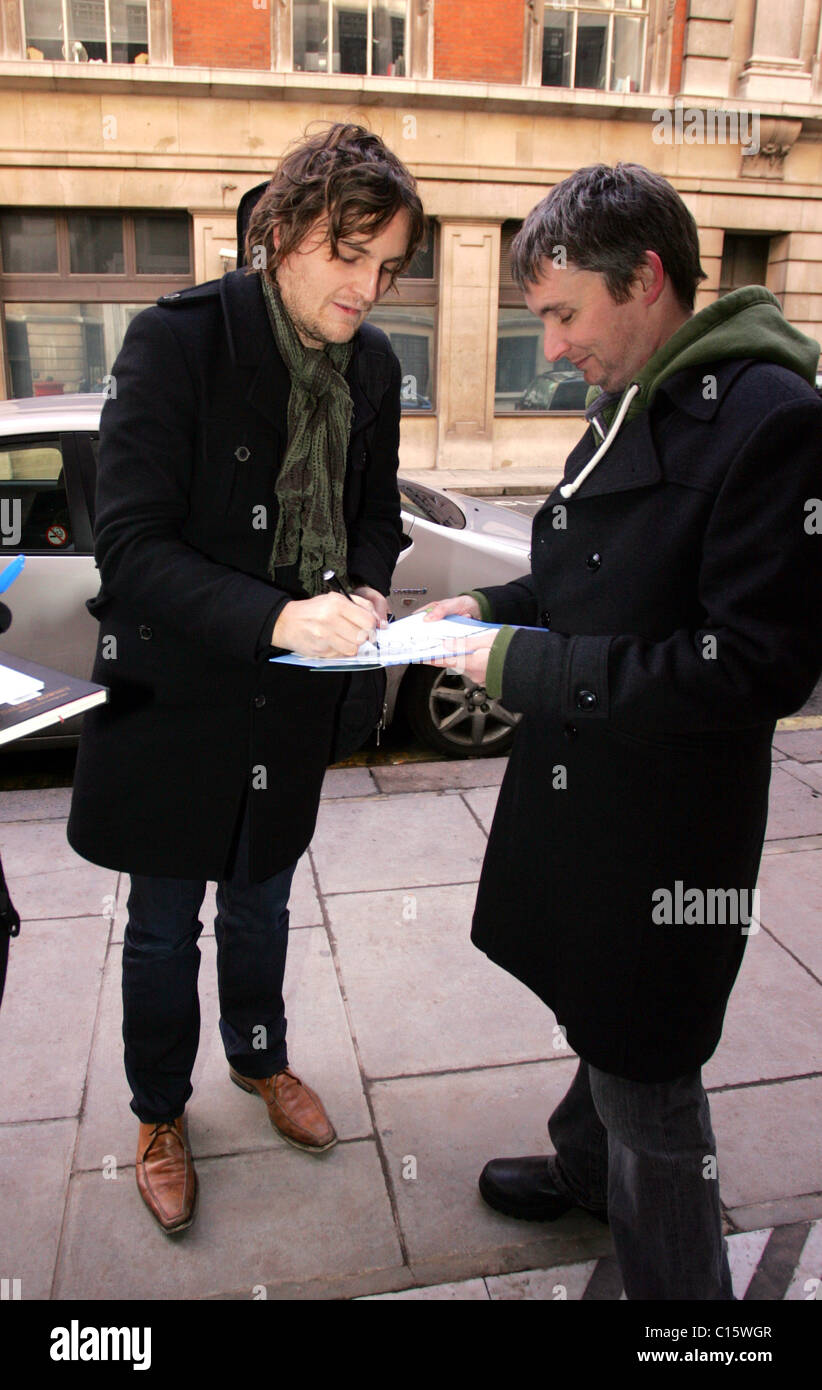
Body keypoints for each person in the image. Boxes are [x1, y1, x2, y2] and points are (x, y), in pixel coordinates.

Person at [424, 162, 822, 1300]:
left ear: (645, 277)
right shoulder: (633, 395)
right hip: (589, 797)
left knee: (653, 1075)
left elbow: (753, 671)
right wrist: (490, 609)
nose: (550, 346)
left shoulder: (775, 424)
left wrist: (524, 662)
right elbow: (589, 581)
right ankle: (586, 1163)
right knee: (596, 1002)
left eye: (562, 314)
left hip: (668, 836)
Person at [67, 123, 425, 1233]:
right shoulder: (177, 344)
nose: (368, 287)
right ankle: (159, 1110)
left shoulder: (370, 367)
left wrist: (363, 593)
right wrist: (276, 612)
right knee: (166, 923)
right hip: (179, 697)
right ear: (279, 235)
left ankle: (260, 1058)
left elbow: (374, 514)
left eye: (387, 265)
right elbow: (129, 544)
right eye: (346, 252)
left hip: (290, 705)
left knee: (264, 901)